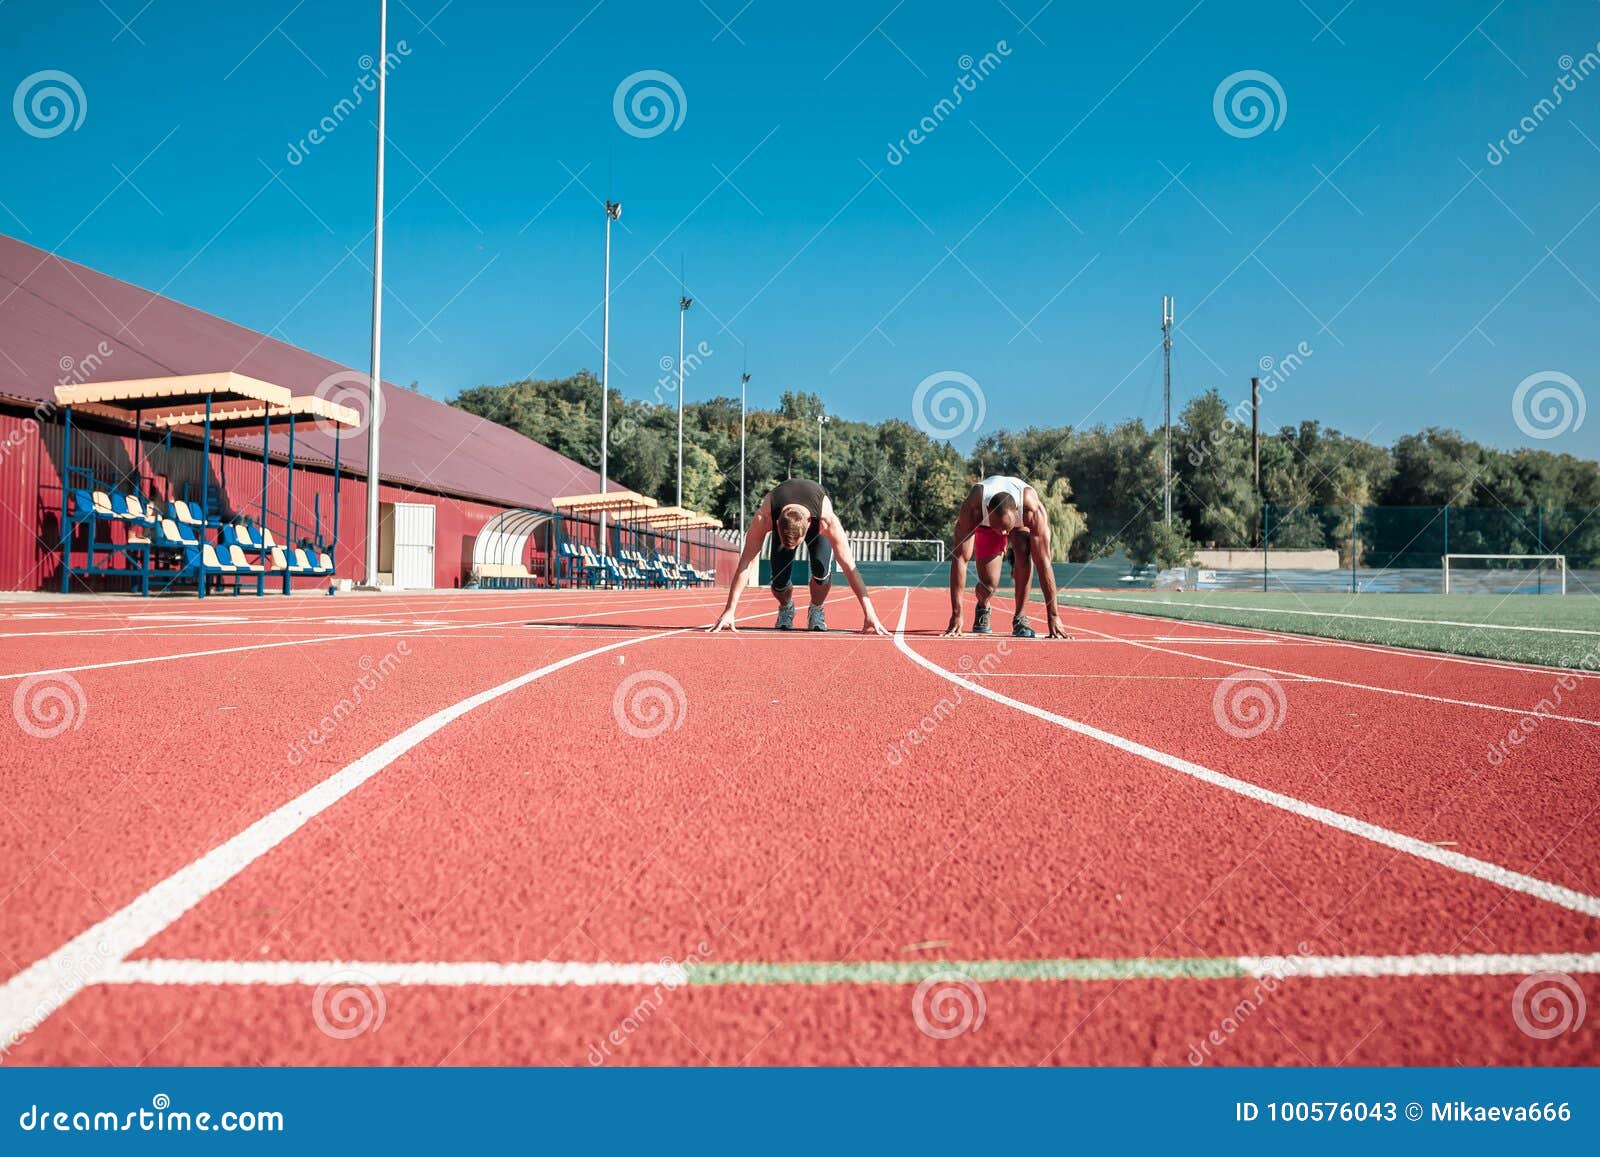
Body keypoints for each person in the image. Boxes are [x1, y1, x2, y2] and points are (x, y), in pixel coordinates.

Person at [708, 478, 888, 635]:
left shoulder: (827, 521)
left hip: (815, 516)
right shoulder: (765, 516)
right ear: (776, 524)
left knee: (821, 571)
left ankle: (816, 608)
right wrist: (729, 610)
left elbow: (850, 567)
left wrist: (869, 614)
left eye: (797, 542)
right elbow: (745, 562)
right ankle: (786, 606)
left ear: (808, 524)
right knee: (778, 581)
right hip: (787, 518)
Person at [942, 474, 1069, 639]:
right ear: (987, 510)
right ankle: (983, 606)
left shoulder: (1031, 509)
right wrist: (957, 614)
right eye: (999, 527)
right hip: (987, 527)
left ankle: (1020, 617)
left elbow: (1043, 562)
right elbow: (960, 559)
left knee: (1024, 549)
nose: (1003, 534)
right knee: (988, 585)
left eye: (1006, 528)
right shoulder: (974, 506)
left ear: (1016, 511)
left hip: (1019, 524)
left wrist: (1053, 616)